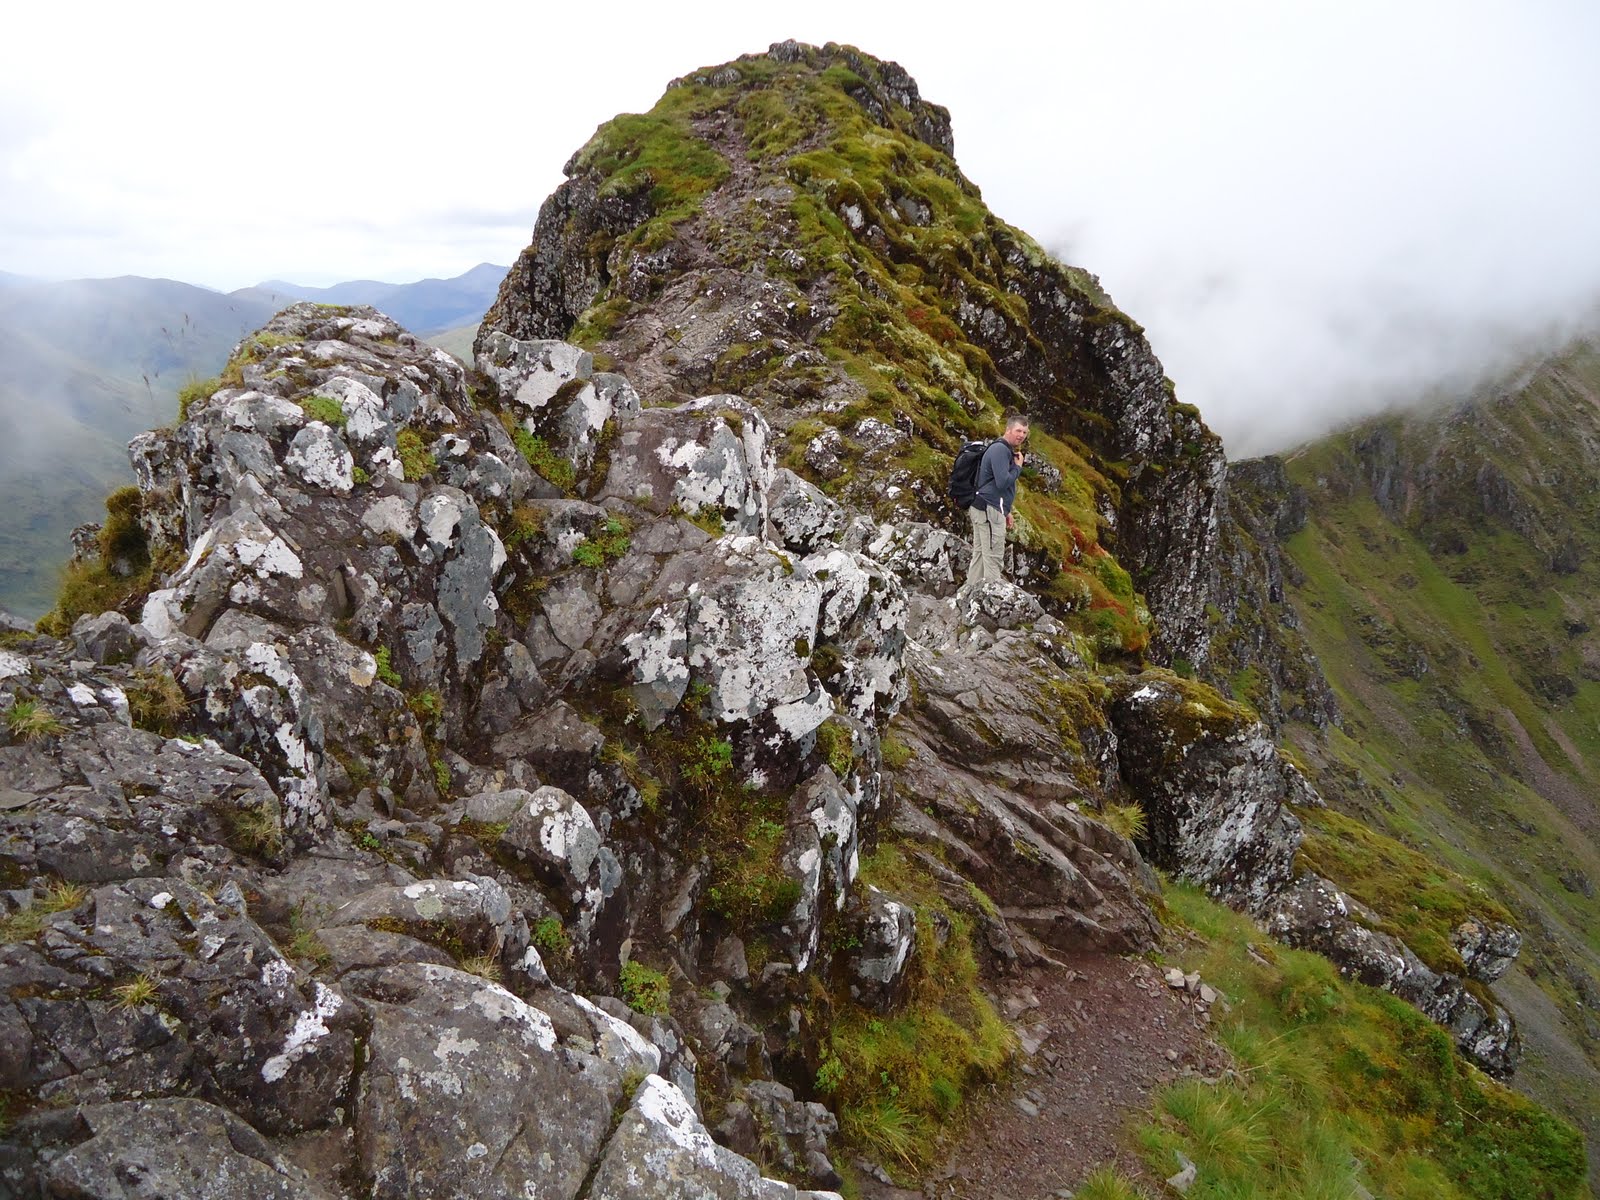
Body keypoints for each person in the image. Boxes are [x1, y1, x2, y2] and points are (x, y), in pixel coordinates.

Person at [963, 413, 1028, 596]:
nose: (1021, 435)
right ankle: (990, 601)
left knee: (980, 555)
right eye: (1018, 430)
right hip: (988, 510)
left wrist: (1006, 511)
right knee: (993, 556)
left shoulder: (1003, 450)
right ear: (1008, 430)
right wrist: (1018, 467)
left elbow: (994, 485)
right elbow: (1002, 481)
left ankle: (971, 595)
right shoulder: (1001, 450)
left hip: (987, 506)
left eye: (1024, 432)